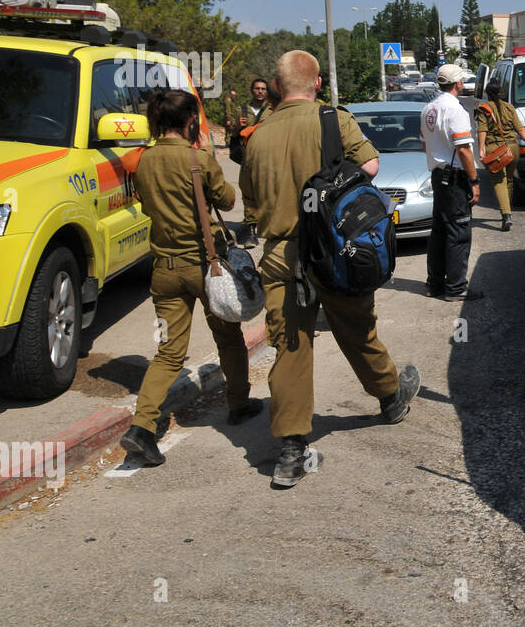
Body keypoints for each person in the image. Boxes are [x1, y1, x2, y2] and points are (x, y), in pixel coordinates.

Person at [240, 50, 420, 489]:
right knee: (357, 331)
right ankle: (391, 396)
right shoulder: (332, 121)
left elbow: (250, 202)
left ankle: (290, 450)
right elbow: (372, 165)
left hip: (282, 257)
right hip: (336, 250)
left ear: (279, 88)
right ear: (317, 83)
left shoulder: (257, 136)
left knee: (289, 347)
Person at [119, 90, 260, 467]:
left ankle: (142, 428)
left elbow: (145, 204)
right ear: (190, 122)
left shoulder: (144, 161)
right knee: (228, 338)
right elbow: (229, 201)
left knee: (168, 352)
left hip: (164, 268)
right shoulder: (198, 159)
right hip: (206, 265)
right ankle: (239, 403)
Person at [420, 64, 483, 299]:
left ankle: (434, 284)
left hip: (438, 175)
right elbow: (464, 150)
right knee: (459, 231)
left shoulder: (428, 109)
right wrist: (474, 181)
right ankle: (456, 287)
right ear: (458, 84)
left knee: (439, 230)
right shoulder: (455, 111)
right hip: (455, 177)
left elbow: (425, 142)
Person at [474, 75, 525, 231]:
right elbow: (521, 129)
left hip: (495, 150)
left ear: (487, 94)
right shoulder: (509, 107)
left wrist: (481, 149)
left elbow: (482, 130)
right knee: (508, 180)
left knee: (498, 182)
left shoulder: (484, 109)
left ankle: (506, 214)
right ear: (501, 93)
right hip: (512, 149)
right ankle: (507, 210)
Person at [235, 77, 272, 245]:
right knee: (248, 189)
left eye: (263, 89)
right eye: (257, 88)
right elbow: (233, 135)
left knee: (269, 188)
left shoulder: (272, 109)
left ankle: (269, 223)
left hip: (268, 154)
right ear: (252, 90)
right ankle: (250, 227)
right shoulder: (242, 110)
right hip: (248, 155)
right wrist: (237, 126)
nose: (260, 91)